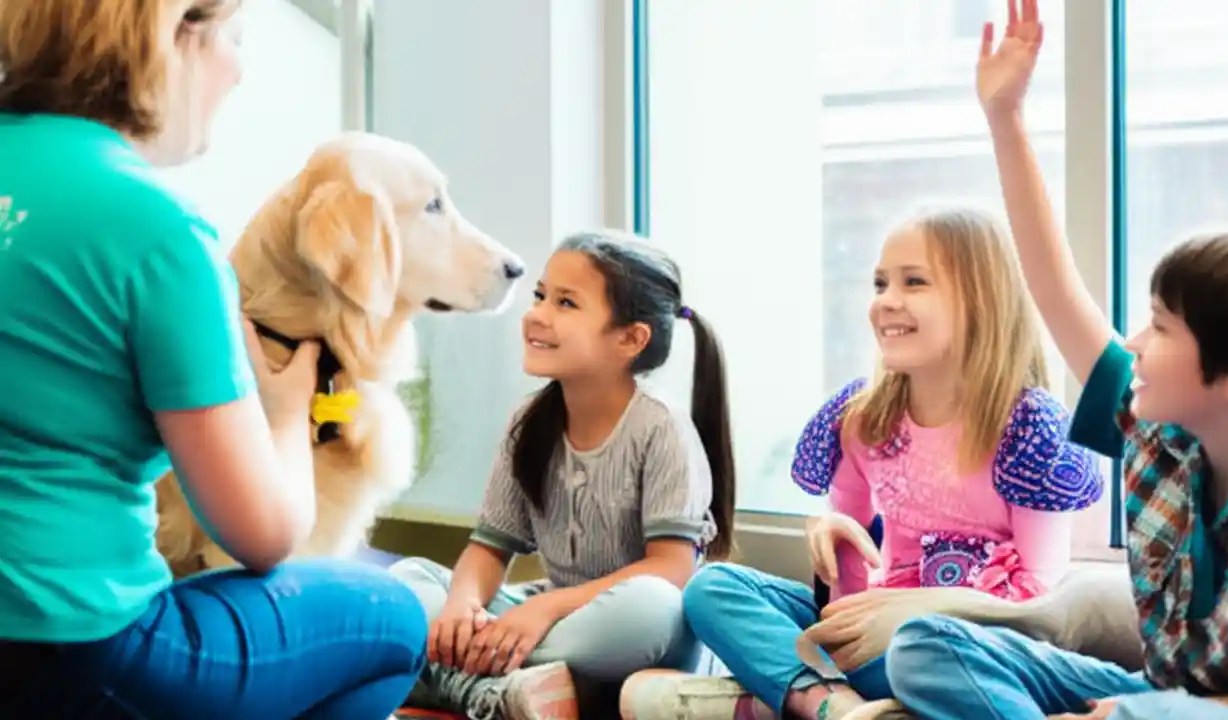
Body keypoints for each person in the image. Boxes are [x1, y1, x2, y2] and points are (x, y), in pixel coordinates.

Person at [0, 1, 425, 717]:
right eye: (232, 37)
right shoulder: (157, 226)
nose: (237, 69)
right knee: (391, 617)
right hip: (75, 652)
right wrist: (287, 418)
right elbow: (265, 535)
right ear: (173, 36)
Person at [882, 2, 1228, 719]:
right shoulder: (1160, 441)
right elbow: (1054, 287)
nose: (1131, 343)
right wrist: (1005, 117)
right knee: (926, 645)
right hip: (1158, 698)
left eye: (1159, 327)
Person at [622, 206, 1104, 720]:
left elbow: (1040, 605)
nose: (886, 303)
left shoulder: (1029, 427)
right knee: (713, 587)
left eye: (914, 282)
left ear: (982, 301)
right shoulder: (863, 418)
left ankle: (794, 697)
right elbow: (848, 590)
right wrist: (836, 536)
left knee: (924, 655)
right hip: (869, 641)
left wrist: (912, 617)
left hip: (970, 645)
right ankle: (835, 705)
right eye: (880, 284)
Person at [390, 231, 736, 720]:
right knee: (408, 582)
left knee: (649, 608)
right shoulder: (528, 421)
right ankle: (508, 690)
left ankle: (459, 677)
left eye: (566, 303)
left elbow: (670, 569)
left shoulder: (662, 428)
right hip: (550, 621)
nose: (537, 314)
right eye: (540, 295)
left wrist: (544, 611)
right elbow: (489, 548)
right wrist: (462, 606)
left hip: (624, 630)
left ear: (630, 339)